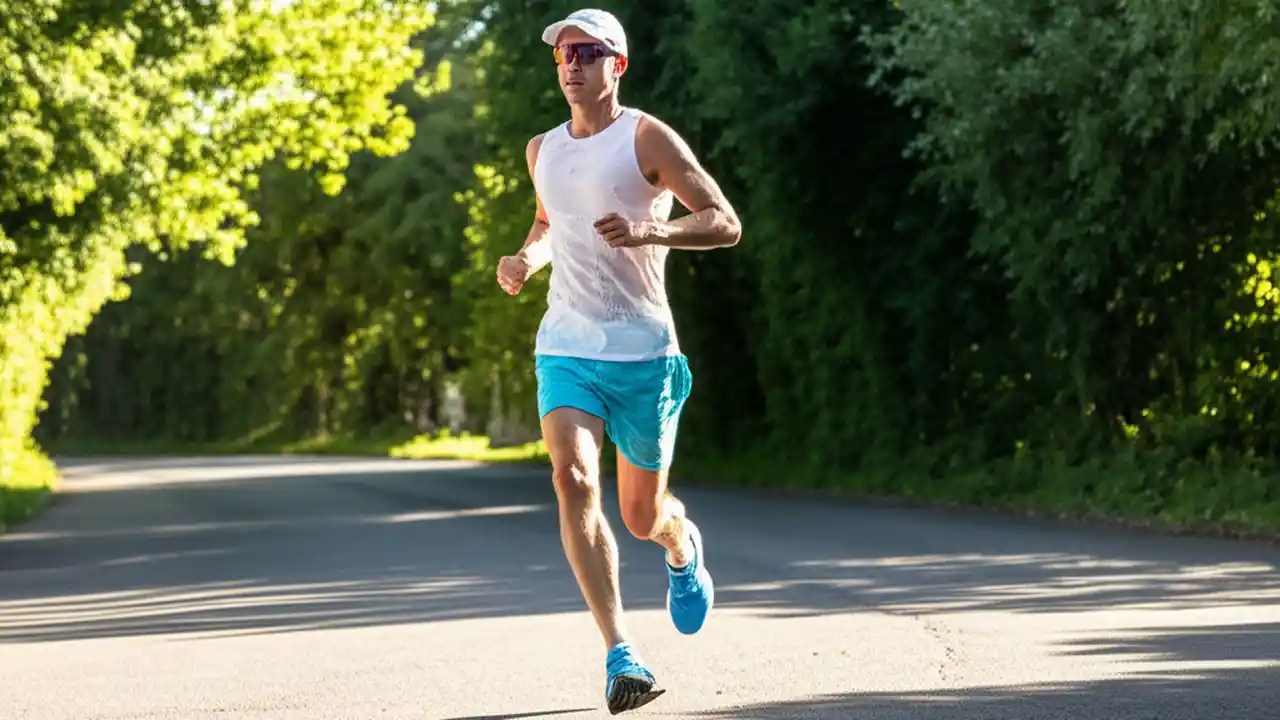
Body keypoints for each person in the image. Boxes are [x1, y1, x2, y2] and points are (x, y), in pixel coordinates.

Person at [494, 7, 742, 715]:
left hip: (644, 353)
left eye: (586, 53)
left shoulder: (645, 137)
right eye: (563, 54)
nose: (571, 64)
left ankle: (679, 543)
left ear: (617, 65)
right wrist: (525, 259)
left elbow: (724, 220)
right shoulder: (543, 149)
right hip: (567, 345)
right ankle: (621, 652)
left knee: (640, 516)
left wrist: (648, 230)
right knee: (572, 479)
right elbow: (549, 221)